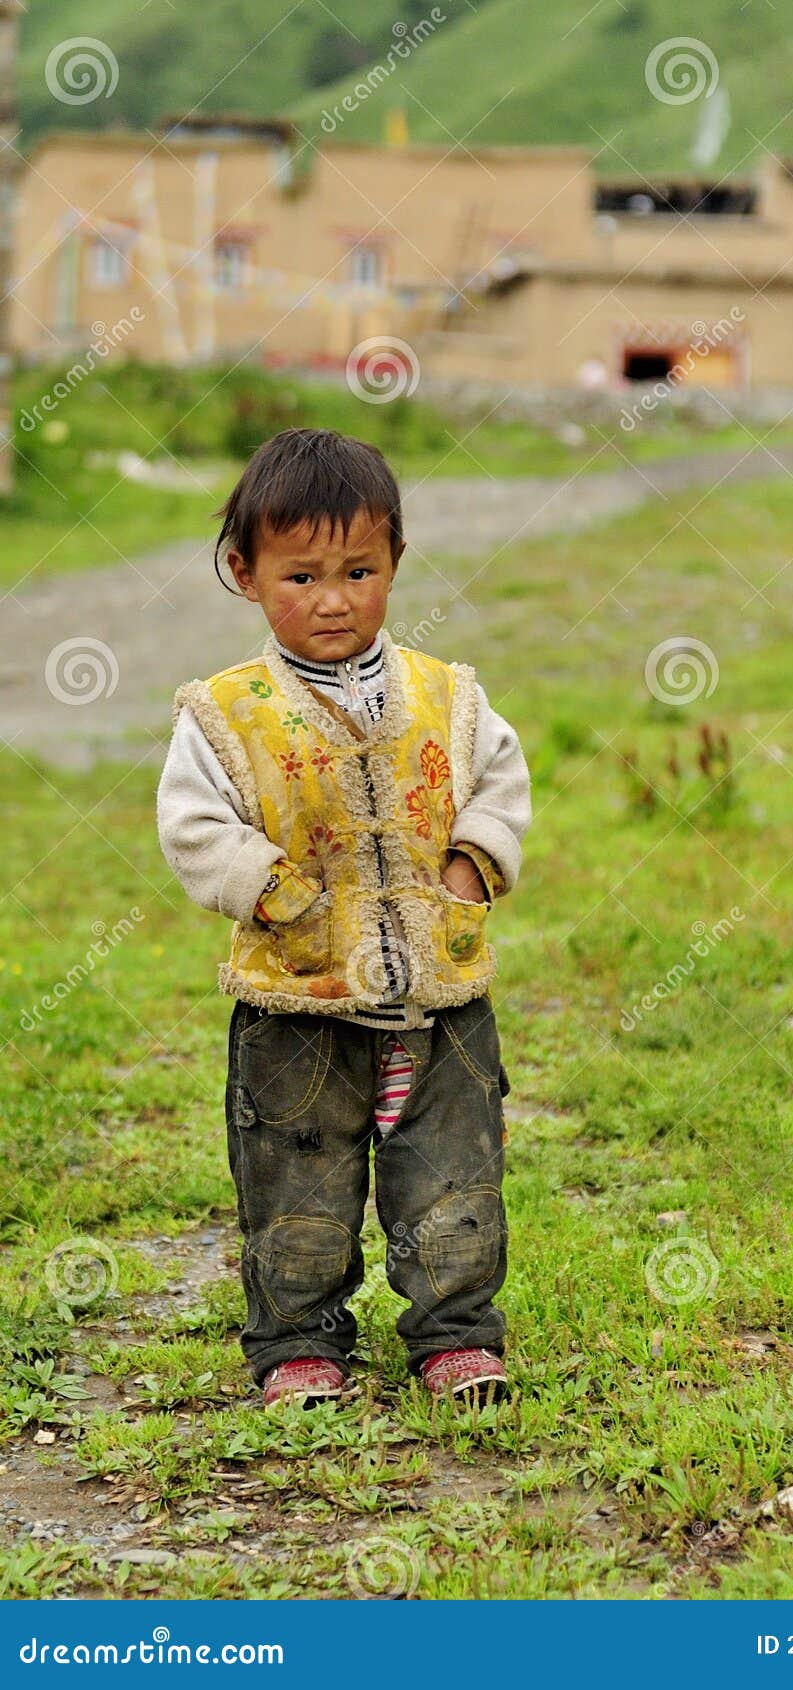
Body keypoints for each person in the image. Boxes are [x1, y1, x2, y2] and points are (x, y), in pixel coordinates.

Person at [156, 427, 532, 1411]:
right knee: (297, 1180)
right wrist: (263, 882)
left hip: (438, 999)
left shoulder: (446, 696)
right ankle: (297, 1349)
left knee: (453, 1178)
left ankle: (455, 1339)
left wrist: (468, 861)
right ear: (245, 573)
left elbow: (499, 781)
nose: (333, 599)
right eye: (302, 576)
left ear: (395, 561)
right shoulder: (228, 714)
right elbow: (192, 825)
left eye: (359, 570)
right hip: (298, 1000)